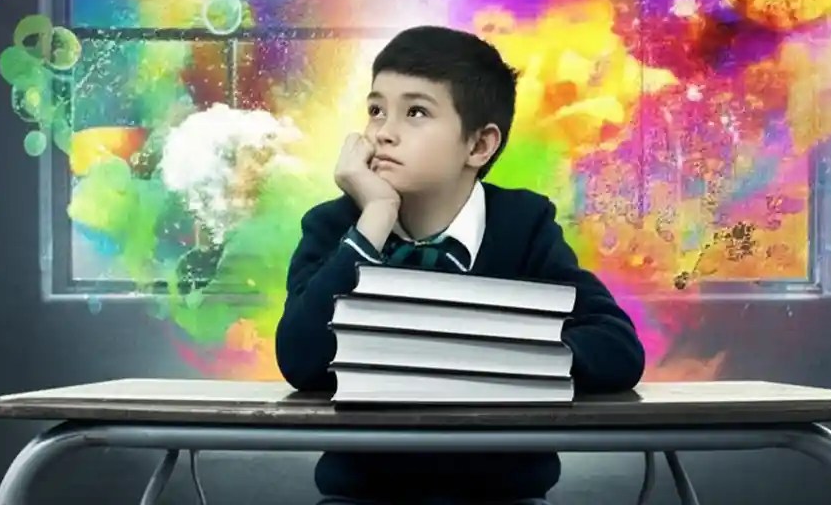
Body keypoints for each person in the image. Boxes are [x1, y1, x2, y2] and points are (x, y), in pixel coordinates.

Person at [273, 26, 647, 504]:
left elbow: (617, 348)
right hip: (362, 496)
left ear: (479, 146)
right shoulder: (336, 226)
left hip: (503, 497)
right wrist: (374, 220)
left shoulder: (523, 226)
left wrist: (479, 353)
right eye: (376, 110)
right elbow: (301, 360)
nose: (383, 132)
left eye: (415, 112)